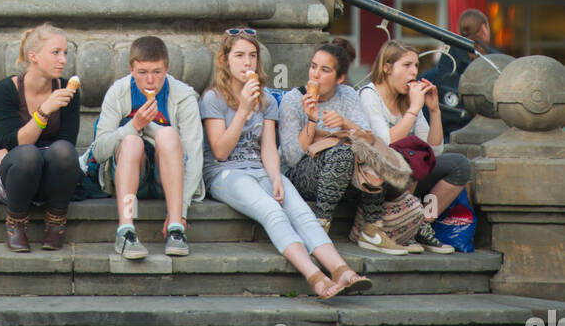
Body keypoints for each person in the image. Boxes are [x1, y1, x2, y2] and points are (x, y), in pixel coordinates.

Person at [201, 28, 371, 298]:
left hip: (261, 169)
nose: (247, 63)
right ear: (224, 60)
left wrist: (277, 177)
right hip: (225, 174)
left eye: (253, 56)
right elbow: (221, 151)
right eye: (239, 56)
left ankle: (342, 270)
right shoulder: (213, 98)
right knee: (273, 211)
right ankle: (316, 278)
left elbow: (268, 147)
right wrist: (243, 109)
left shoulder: (266, 100)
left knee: (301, 211)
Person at [278, 37, 407, 255]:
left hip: (344, 177)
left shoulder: (347, 95)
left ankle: (371, 229)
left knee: (371, 155)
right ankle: (320, 225)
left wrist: (345, 123)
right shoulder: (293, 99)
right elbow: (290, 158)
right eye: (313, 66)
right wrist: (311, 120)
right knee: (344, 154)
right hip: (301, 175)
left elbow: (368, 138)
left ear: (340, 78)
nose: (315, 75)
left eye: (325, 70)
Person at [91, 34, 203, 260]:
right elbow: (99, 151)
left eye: (157, 72)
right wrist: (132, 126)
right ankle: (126, 229)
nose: (150, 80)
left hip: (169, 182)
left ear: (167, 69)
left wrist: (180, 211)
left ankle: (175, 229)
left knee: (168, 135)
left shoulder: (183, 96)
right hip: (131, 179)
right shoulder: (118, 92)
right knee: (131, 142)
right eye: (143, 72)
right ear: (132, 69)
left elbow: (194, 155)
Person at [359, 41, 472, 252]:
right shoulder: (369, 95)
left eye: (417, 66)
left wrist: (434, 110)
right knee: (403, 161)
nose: (414, 72)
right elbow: (384, 143)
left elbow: (434, 151)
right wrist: (414, 108)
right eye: (407, 65)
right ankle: (402, 228)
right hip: (379, 176)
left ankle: (420, 225)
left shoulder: (408, 100)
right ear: (387, 67)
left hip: (408, 174)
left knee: (459, 165)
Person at [0, 22, 81, 252]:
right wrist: (44, 111)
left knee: (65, 152)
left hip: (51, 177)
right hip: (13, 178)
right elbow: (12, 141)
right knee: (26, 155)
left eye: (65, 53)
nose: (63, 60)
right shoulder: (5, 90)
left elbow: (67, 143)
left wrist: (10, 149)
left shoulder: (67, 91)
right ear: (34, 56)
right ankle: (15, 224)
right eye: (55, 53)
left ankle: (56, 222)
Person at [422, 9, 490, 140]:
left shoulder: (446, 61)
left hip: (444, 136)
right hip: (483, 136)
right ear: (484, 29)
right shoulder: (495, 61)